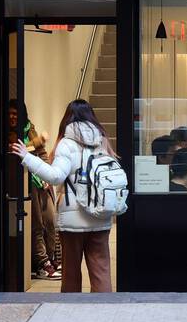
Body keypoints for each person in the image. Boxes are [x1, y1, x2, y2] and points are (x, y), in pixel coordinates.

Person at [10, 99, 116, 293]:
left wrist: (27, 157)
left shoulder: (66, 144)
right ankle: (103, 311)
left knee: (71, 272)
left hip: (73, 220)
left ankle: (70, 312)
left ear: (68, 118)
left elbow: (56, 177)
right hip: (101, 214)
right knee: (101, 271)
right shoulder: (102, 140)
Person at [8, 99, 60, 281]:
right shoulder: (7, 133)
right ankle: (42, 264)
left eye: (15, 113)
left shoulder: (29, 129)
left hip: (41, 183)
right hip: (25, 184)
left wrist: (47, 174)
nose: (12, 117)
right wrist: (38, 142)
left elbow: (42, 154)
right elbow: (16, 151)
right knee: (36, 225)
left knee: (50, 221)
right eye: (9, 114)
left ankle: (52, 259)